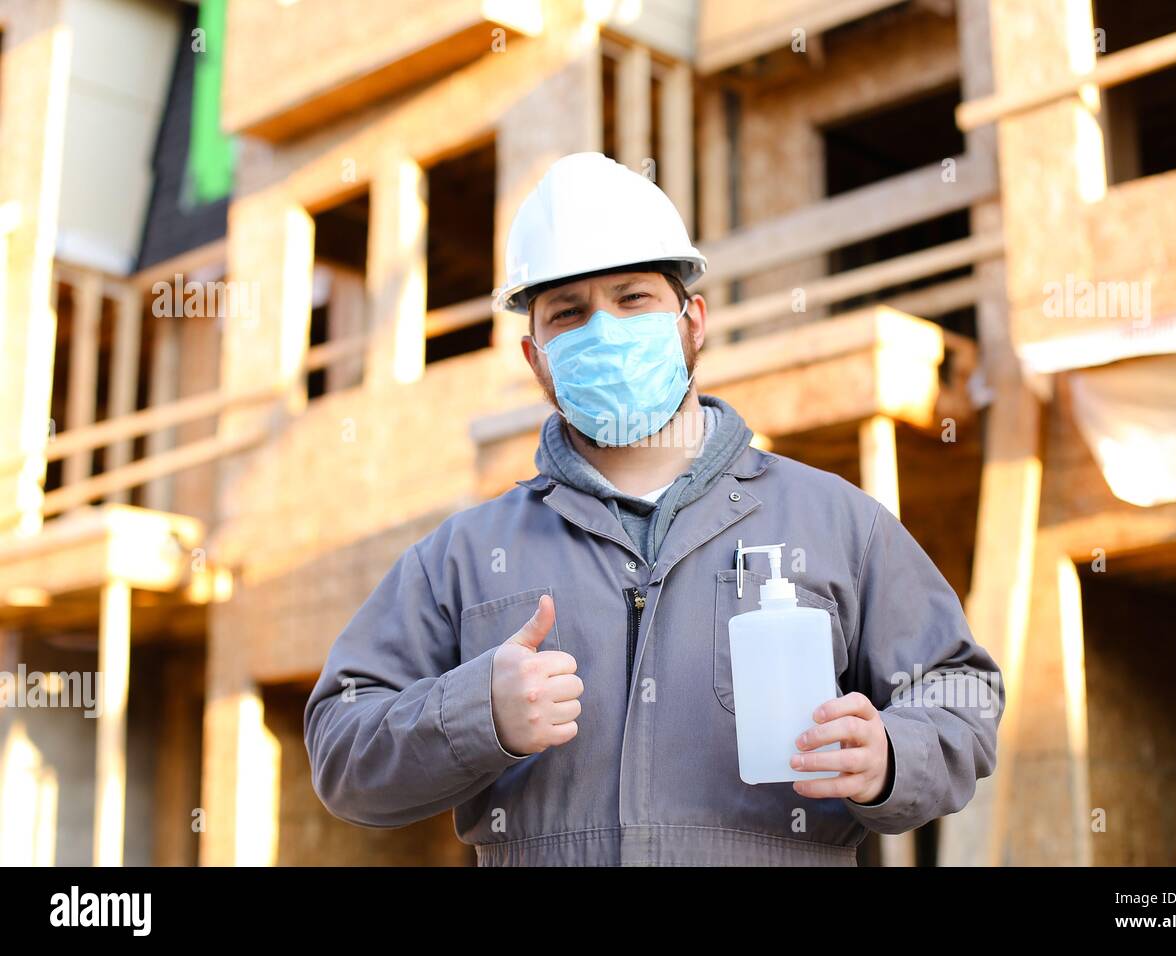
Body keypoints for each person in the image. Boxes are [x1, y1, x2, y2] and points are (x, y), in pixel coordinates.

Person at [304, 152, 1003, 866]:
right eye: (569, 313)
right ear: (534, 355)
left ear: (692, 320)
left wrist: (892, 754)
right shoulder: (463, 556)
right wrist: (475, 713)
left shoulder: (838, 526)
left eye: (632, 298)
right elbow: (340, 745)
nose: (603, 329)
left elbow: (963, 694)